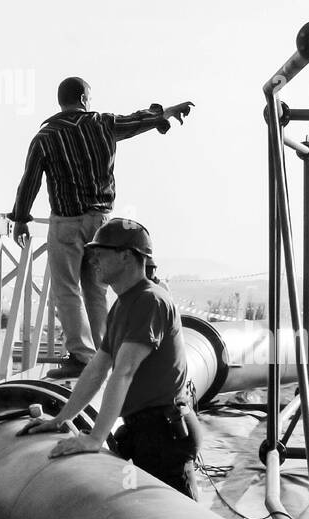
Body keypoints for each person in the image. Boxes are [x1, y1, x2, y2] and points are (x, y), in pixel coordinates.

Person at [10, 77, 193, 378]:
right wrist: (165, 113)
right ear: (83, 99)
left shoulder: (45, 136)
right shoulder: (102, 124)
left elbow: (29, 180)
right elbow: (135, 121)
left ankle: (82, 355)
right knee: (96, 290)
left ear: (61, 101)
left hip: (66, 223)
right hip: (101, 225)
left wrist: (20, 218)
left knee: (67, 289)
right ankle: (103, 353)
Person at [23, 219, 201, 501]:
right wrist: (61, 419)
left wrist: (95, 438)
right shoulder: (122, 304)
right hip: (145, 431)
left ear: (126, 256)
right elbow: (97, 369)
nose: (92, 261)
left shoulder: (149, 301)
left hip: (163, 435)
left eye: (100, 254)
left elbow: (124, 372)